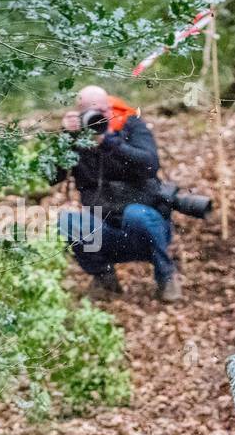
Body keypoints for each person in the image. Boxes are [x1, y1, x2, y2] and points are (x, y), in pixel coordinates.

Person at [53, 85, 182, 302]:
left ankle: (166, 276)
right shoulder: (75, 139)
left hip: (146, 227)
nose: (99, 118)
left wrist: (112, 143)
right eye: (91, 113)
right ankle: (104, 279)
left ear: (110, 107)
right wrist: (64, 138)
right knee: (68, 222)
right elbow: (51, 177)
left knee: (136, 214)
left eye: (103, 111)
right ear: (79, 112)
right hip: (105, 229)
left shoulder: (131, 126)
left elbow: (150, 164)